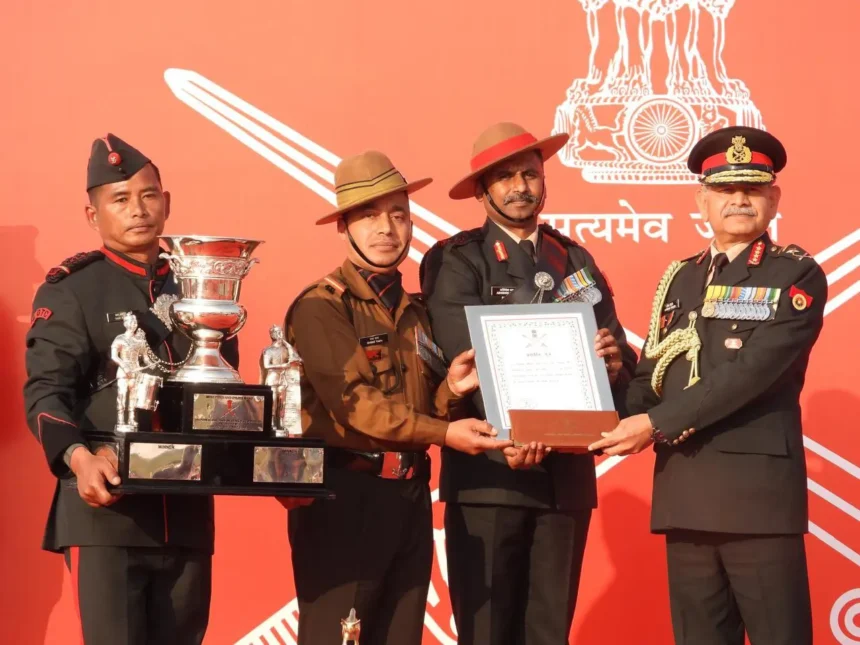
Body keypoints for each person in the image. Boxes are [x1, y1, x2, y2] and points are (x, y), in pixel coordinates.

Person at [590, 126, 826, 645]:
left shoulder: (796, 275)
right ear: (702, 201)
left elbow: (750, 374)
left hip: (757, 503)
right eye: (724, 189)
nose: (739, 200)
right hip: (685, 494)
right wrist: (598, 406)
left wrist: (652, 425)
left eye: (752, 189)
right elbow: (654, 374)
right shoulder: (681, 277)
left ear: (773, 199)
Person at [420, 122, 637, 645]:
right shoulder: (456, 259)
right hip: (490, 477)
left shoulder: (575, 259)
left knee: (548, 633)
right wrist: (517, 434)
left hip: (564, 482)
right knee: (486, 633)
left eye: (530, 174)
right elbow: (465, 359)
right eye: (505, 178)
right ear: (482, 191)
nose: (520, 187)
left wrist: (613, 367)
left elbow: (620, 354)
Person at [283, 150, 512, 644]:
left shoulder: (416, 310)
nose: (386, 228)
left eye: (398, 215)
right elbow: (357, 405)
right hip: (345, 496)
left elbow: (419, 411)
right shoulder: (321, 307)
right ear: (343, 227)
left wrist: (451, 390)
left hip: (409, 495)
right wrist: (445, 432)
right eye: (368, 215)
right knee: (338, 638)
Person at [23, 133, 238, 645]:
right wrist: (78, 458)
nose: (138, 210)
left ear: (167, 202)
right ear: (92, 215)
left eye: (148, 195)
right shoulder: (72, 289)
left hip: (186, 512)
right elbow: (46, 394)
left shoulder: (204, 286)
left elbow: (220, 391)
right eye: (120, 199)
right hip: (107, 512)